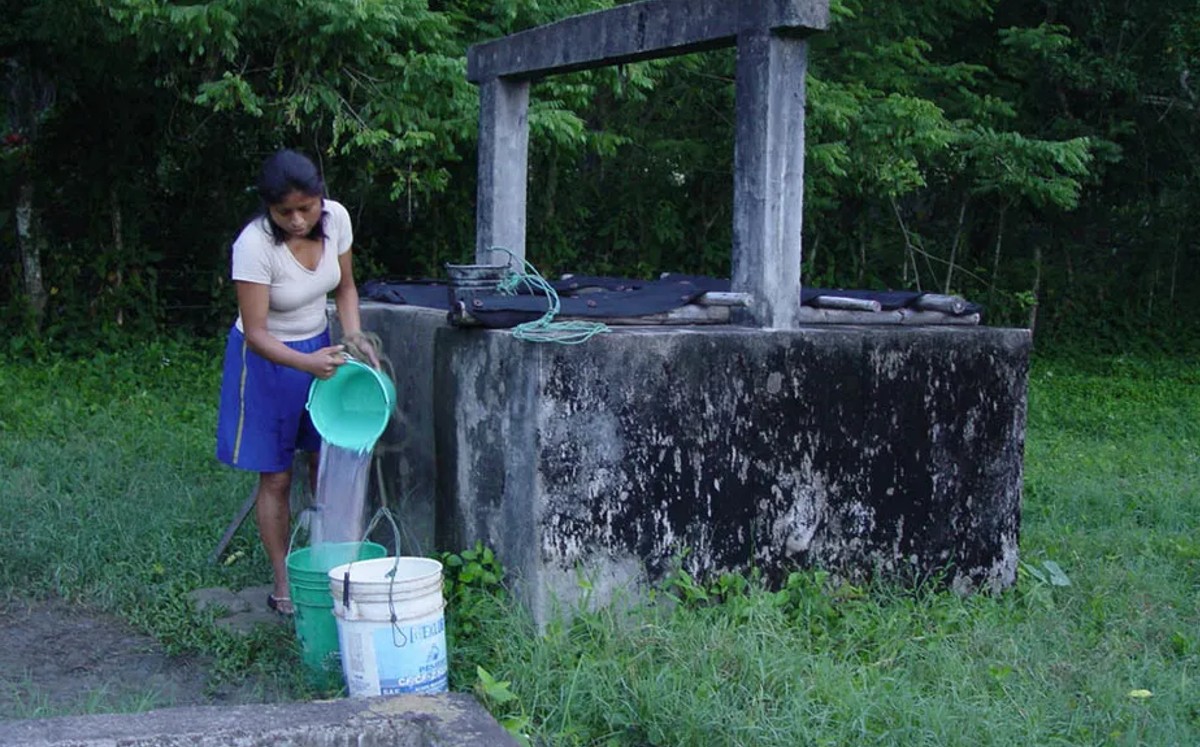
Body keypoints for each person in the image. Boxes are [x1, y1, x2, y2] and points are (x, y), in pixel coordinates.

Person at [215, 149, 374, 616]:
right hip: (266, 361)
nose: (299, 220)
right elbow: (258, 332)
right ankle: (284, 582)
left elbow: (344, 286)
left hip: (320, 346)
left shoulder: (337, 219)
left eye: (307, 208)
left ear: (320, 198)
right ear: (268, 208)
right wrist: (306, 366)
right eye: (285, 212)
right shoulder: (253, 246)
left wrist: (354, 334)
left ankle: (328, 565)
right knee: (277, 476)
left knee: (324, 459)